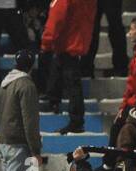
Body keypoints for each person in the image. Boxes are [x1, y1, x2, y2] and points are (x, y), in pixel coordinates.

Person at [40, 0, 96, 134]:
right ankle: (53, 99)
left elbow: (56, 19)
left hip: (67, 41)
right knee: (62, 71)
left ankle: (76, 120)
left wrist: (46, 42)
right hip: (77, 40)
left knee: (72, 82)